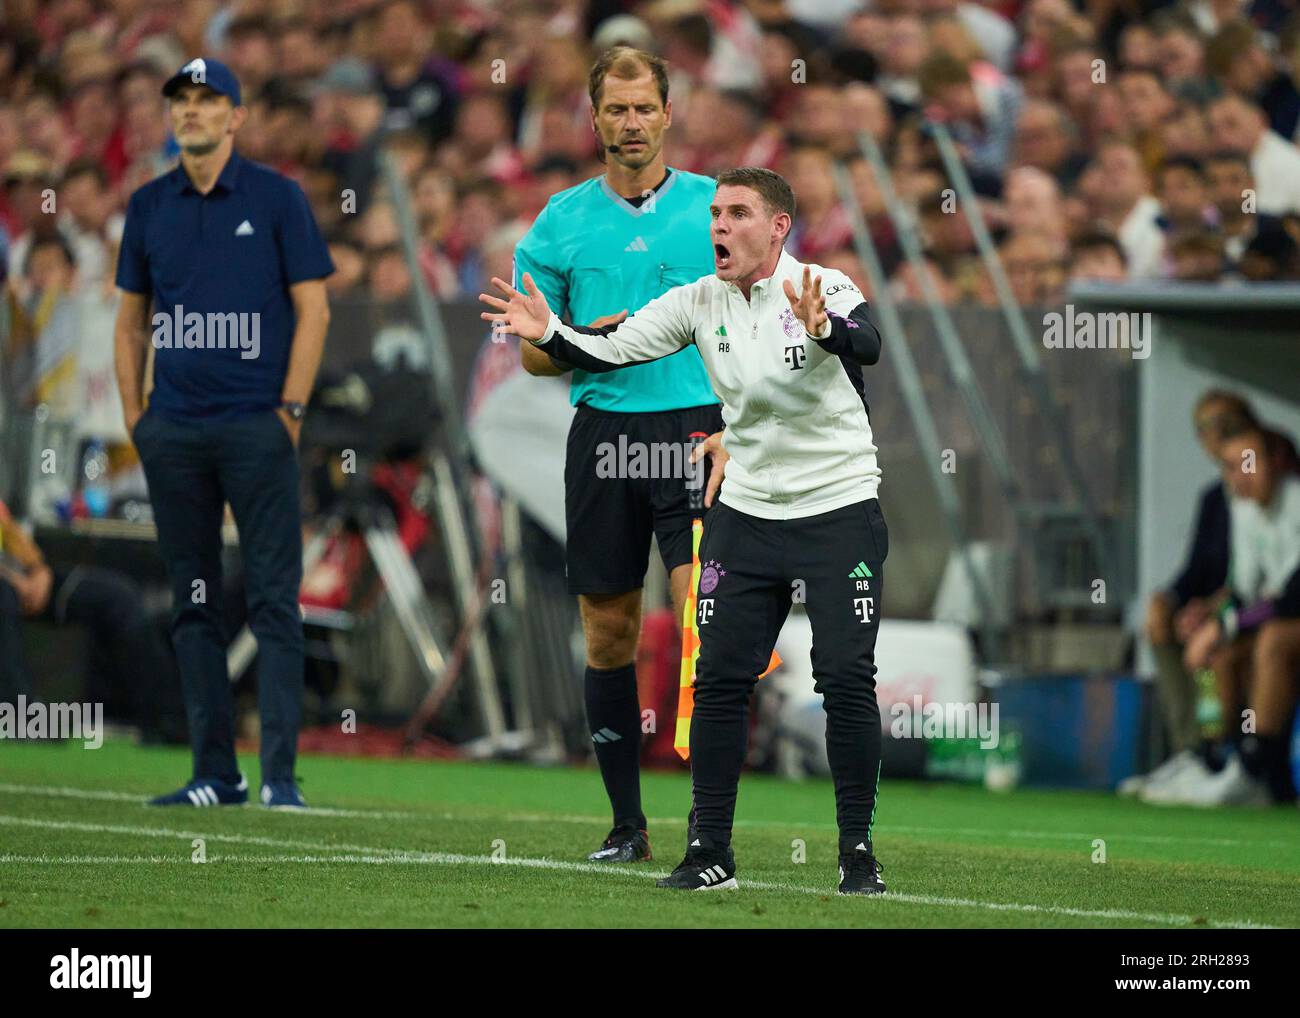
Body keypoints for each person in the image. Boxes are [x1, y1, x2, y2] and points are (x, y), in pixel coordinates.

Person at [483, 167, 890, 895]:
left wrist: (826, 328)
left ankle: (857, 853)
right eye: (714, 214)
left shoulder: (822, 286)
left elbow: (868, 346)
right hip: (750, 509)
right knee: (717, 679)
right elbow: (612, 351)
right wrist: (549, 331)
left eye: (737, 214)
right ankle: (709, 851)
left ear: (777, 227)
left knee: (846, 679)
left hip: (837, 505)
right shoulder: (699, 301)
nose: (718, 227)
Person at [513, 46, 722, 863]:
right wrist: (572, 344)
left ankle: (709, 825)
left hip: (700, 430)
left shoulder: (715, 208)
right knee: (608, 634)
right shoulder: (558, 220)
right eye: (616, 109)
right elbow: (533, 350)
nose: (631, 123)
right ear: (593, 117)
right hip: (604, 436)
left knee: (705, 619)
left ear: (668, 113)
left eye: (645, 108)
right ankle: (627, 827)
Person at [112, 57, 333, 808]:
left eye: (207, 101)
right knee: (193, 600)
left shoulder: (277, 199)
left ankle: (277, 777)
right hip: (173, 428)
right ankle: (214, 773)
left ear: (236, 116)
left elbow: (315, 310)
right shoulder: (147, 205)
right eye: (181, 101)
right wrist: (135, 418)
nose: (191, 112)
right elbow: (129, 321)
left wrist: (291, 412)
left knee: (274, 599)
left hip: (254, 426)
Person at [1130, 391, 1251, 803]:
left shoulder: (1269, 494)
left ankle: (1216, 755)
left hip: (1253, 611)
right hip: (1224, 606)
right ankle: (1190, 750)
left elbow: (1259, 579)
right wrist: (1181, 602)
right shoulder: (1213, 499)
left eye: (1224, 423)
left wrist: (1218, 608)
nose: (1214, 434)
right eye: (1205, 427)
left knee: (1210, 645)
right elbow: (1196, 571)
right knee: (1162, 613)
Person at [1177, 423, 1300, 806]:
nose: (1238, 477)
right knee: (1220, 655)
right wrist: (1213, 613)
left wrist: (1224, 625)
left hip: (1289, 622)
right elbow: (1244, 590)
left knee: (1273, 639)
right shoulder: (1244, 510)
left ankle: (1254, 768)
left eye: (1248, 463)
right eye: (1230, 467)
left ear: (1276, 462)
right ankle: (1211, 758)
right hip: (1281, 618)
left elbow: (1294, 594)